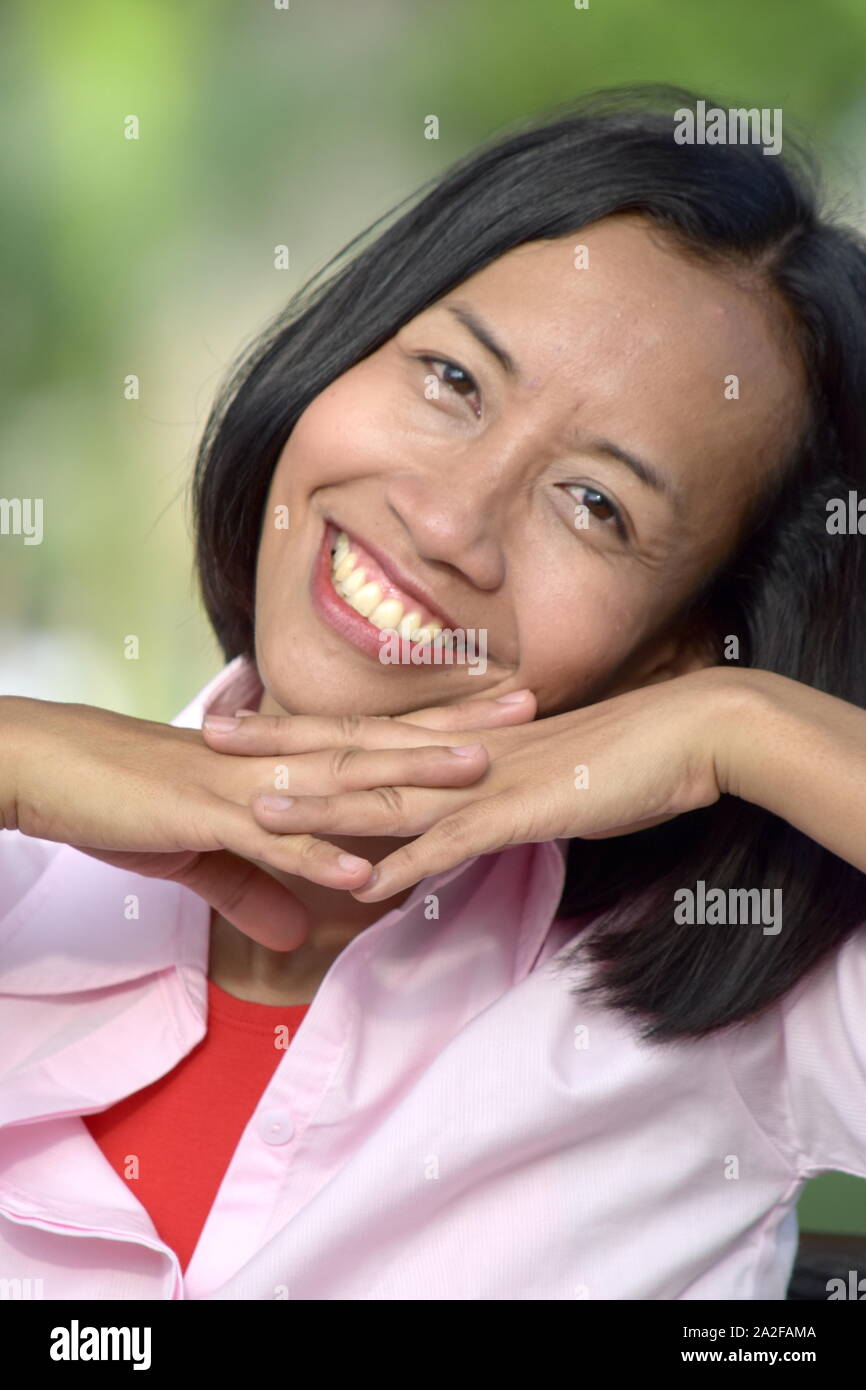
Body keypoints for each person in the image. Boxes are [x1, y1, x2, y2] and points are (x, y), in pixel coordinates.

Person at [1, 82, 865, 1301]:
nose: (450, 518)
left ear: (677, 643)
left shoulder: (754, 1013)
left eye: (595, 505)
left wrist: (741, 725)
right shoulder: (22, 866)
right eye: (452, 380)